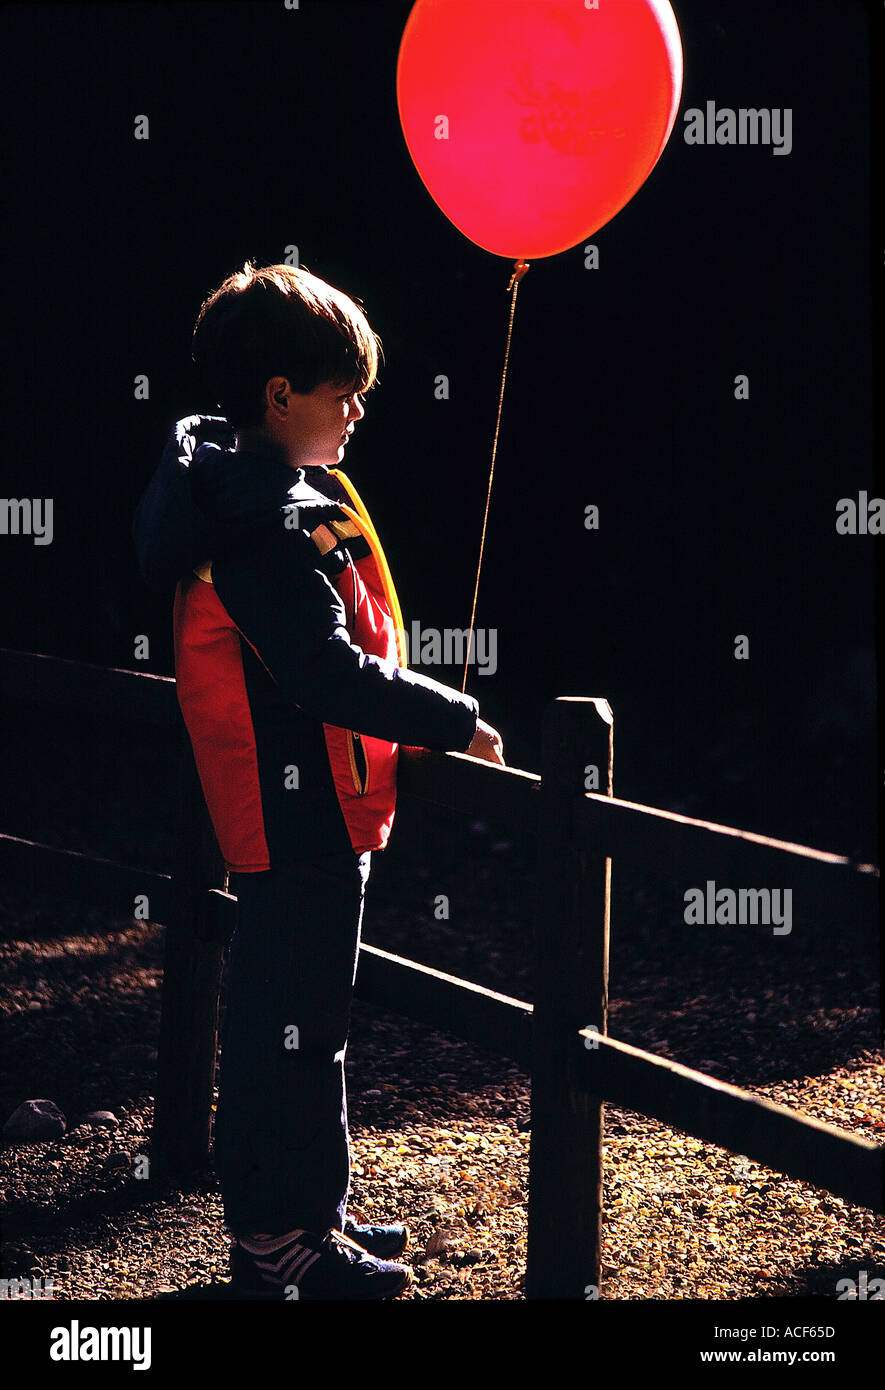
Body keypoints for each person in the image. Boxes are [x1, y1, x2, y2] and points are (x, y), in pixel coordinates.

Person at [132, 260, 505, 1300]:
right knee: (280, 1027)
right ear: (277, 396)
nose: (358, 409)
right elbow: (325, 670)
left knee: (316, 1021)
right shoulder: (253, 526)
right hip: (292, 818)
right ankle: (274, 1244)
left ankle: (315, 1209)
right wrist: (454, 717)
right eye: (342, 389)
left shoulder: (290, 496)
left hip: (327, 813)